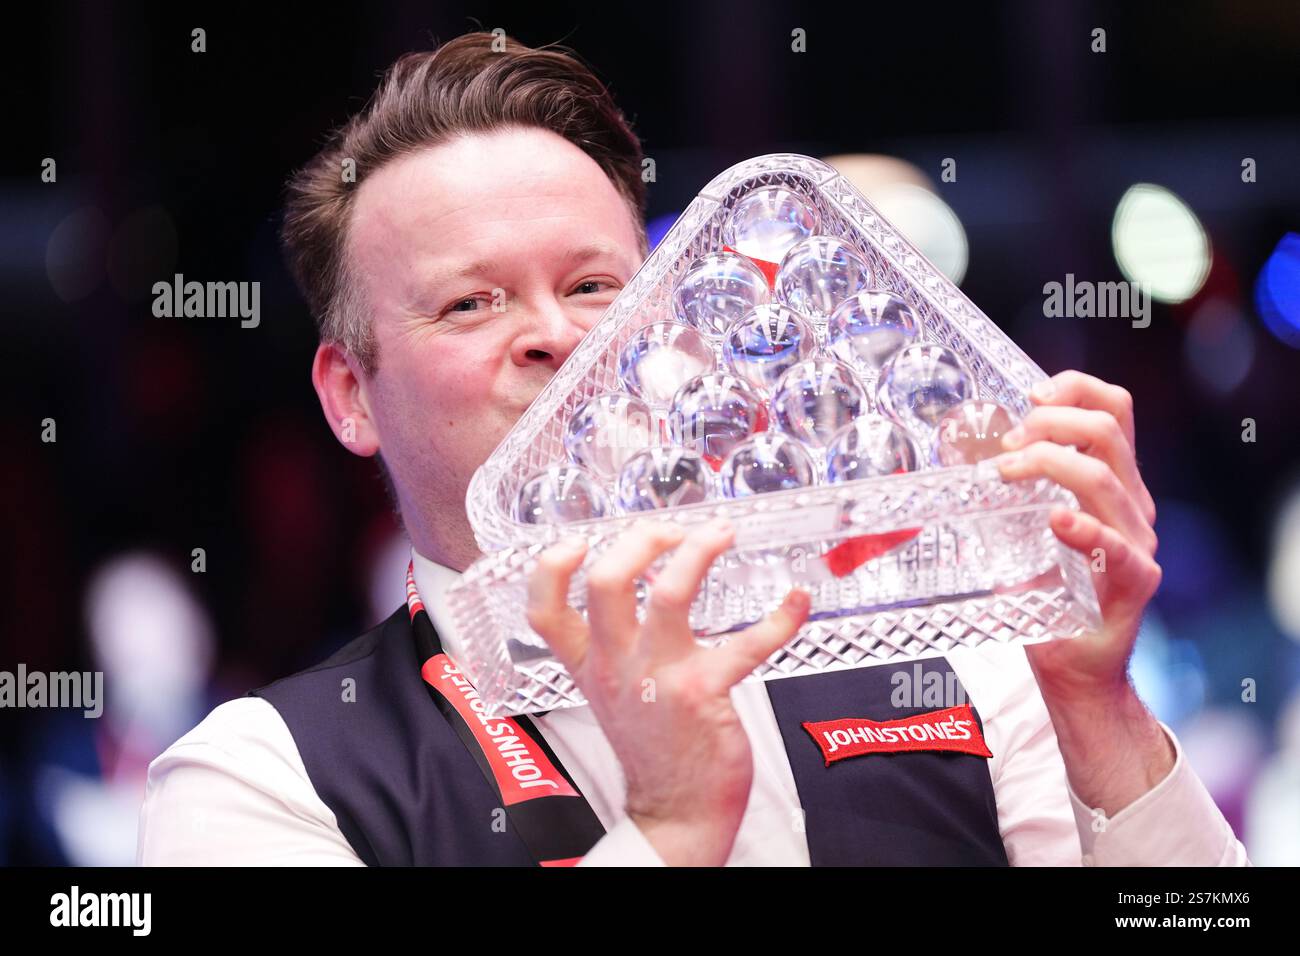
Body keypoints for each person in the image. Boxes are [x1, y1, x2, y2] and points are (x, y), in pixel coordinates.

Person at [137, 31, 1248, 867]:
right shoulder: (266, 776)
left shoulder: (948, 663)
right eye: (471, 302)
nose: (556, 334)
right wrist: (667, 828)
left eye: (593, 286)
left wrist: (1102, 715)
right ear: (351, 396)